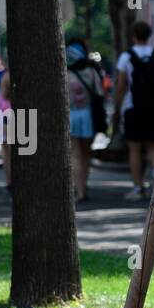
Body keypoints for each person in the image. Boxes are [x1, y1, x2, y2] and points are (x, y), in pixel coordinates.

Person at [114, 20, 154, 199]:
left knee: (134, 149)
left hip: (133, 107)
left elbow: (121, 85)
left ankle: (138, 187)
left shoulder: (126, 57)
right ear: (149, 36)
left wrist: (117, 108)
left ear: (134, 36)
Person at [66, 39, 104, 202]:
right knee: (86, 154)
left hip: (71, 115)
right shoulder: (92, 71)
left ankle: (77, 189)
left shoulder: (64, 73)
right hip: (88, 115)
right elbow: (100, 93)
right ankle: (84, 186)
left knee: (75, 154)